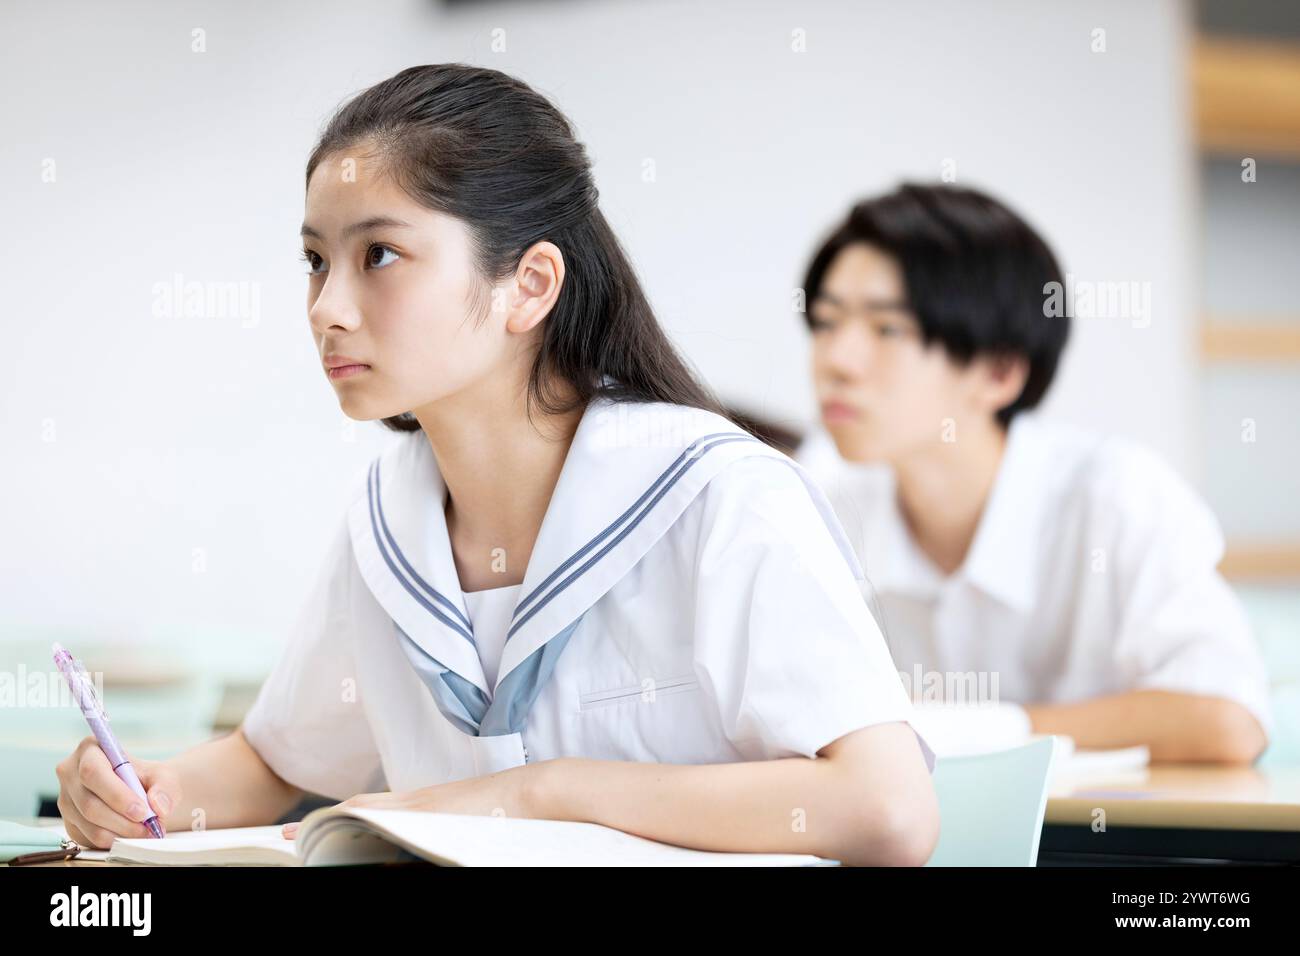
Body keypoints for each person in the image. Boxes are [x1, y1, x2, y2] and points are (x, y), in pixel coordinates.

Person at [55, 65, 937, 866]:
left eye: (380, 256)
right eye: (316, 261)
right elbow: (273, 760)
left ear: (531, 285)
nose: (327, 307)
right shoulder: (390, 519)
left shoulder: (721, 496)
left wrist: (537, 795)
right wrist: (157, 795)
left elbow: (889, 810)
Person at [795, 183, 1271, 764]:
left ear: (999, 373)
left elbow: (1227, 720)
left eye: (886, 329)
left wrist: (977, 727)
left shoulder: (1115, 497)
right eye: (824, 322)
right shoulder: (816, 496)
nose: (836, 361)